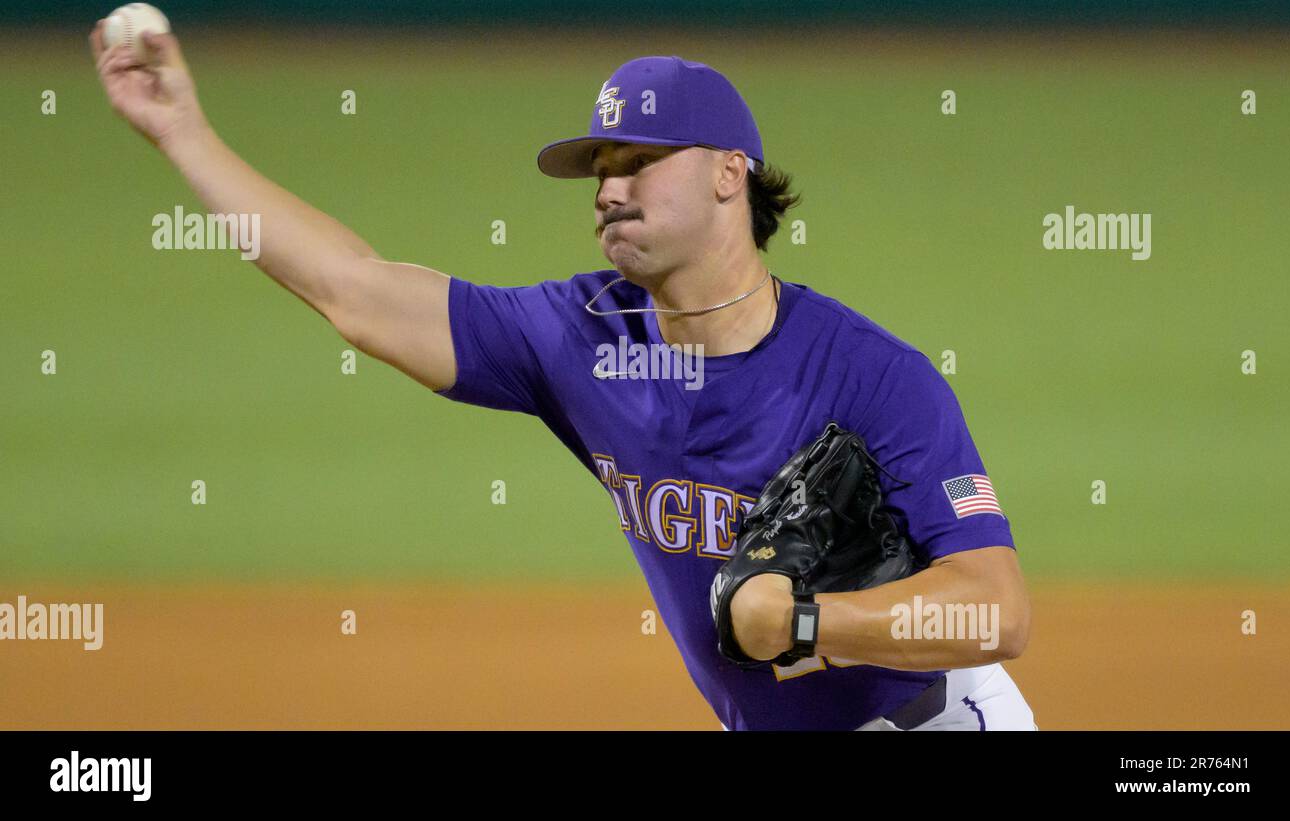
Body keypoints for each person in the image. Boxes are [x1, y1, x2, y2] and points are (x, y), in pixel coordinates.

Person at [91, 25, 1035, 729]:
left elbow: (996, 608)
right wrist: (183, 134)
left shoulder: (872, 377)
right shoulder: (576, 335)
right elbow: (356, 290)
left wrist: (805, 618)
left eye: (641, 162)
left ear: (728, 174)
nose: (609, 188)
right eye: (599, 167)